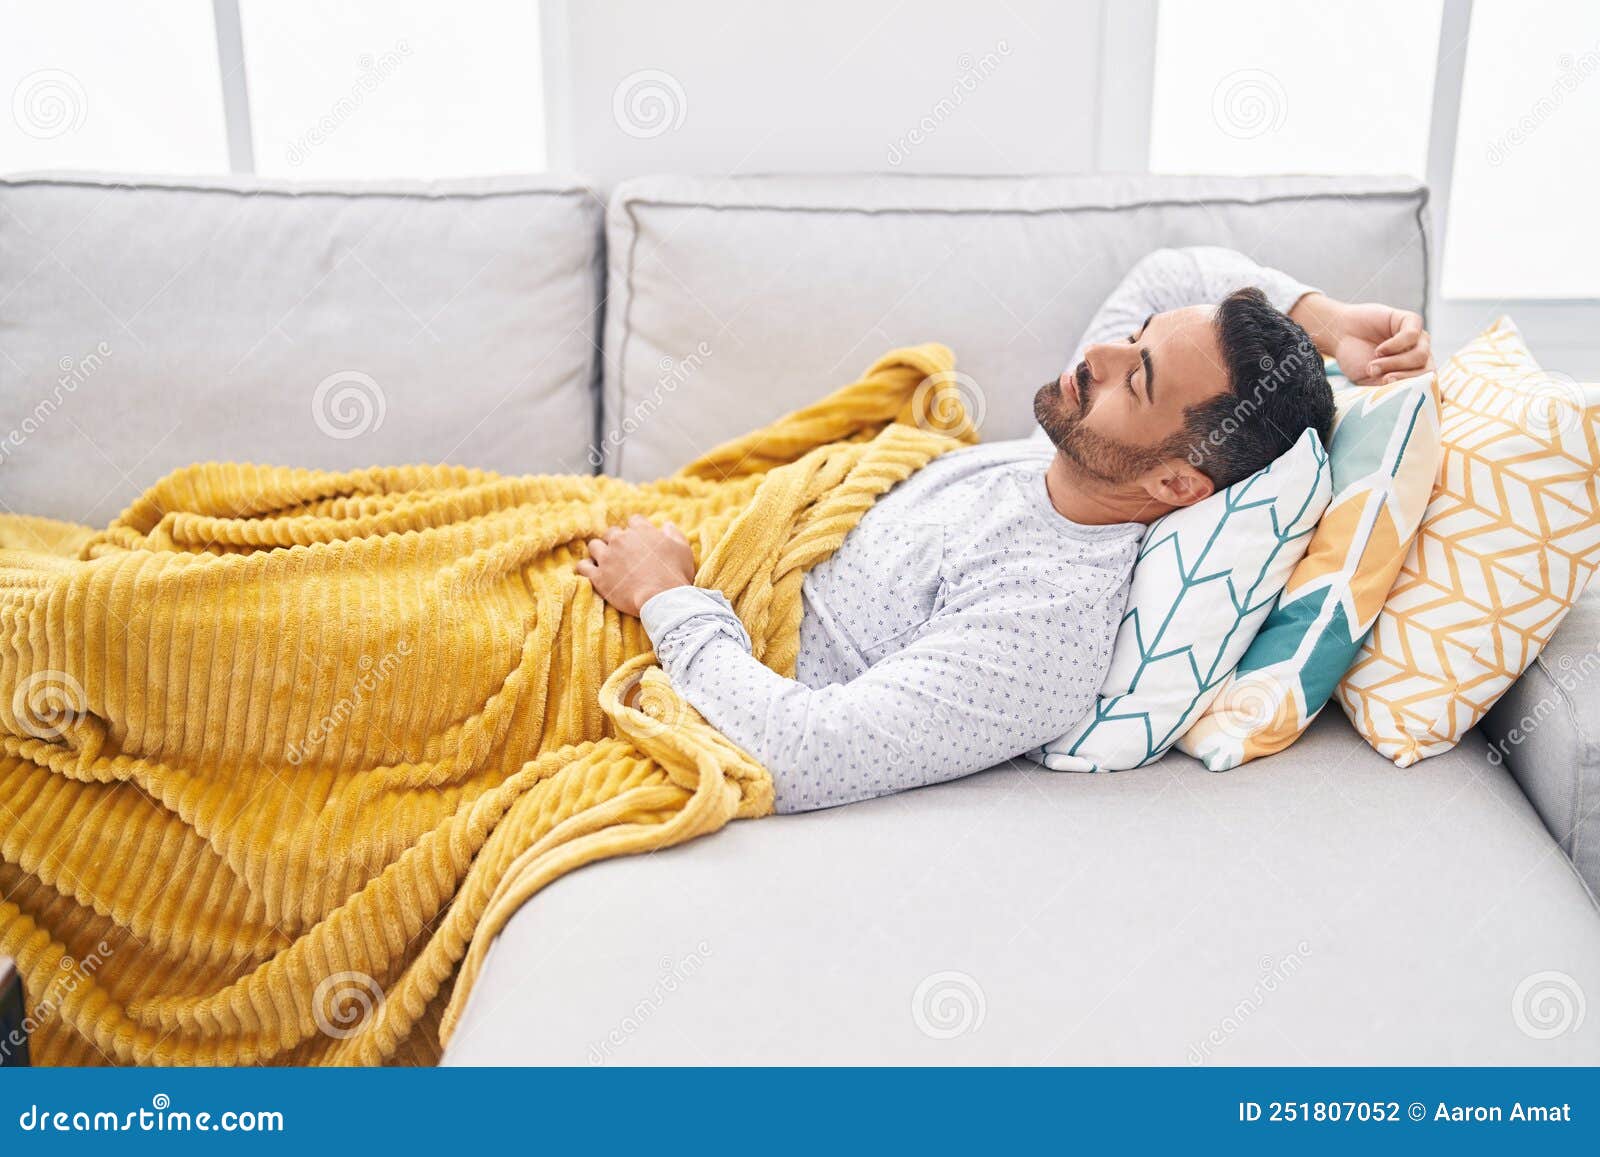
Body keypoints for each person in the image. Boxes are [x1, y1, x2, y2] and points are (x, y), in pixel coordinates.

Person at [576, 247, 1434, 812]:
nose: (1093, 358)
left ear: (1176, 481)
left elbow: (811, 754)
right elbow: (1173, 273)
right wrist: (1326, 318)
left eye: (1133, 374)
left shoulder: (1048, 621)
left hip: (658, 624)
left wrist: (669, 595)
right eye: (1130, 340)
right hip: (692, 540)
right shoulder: (1072, 451)